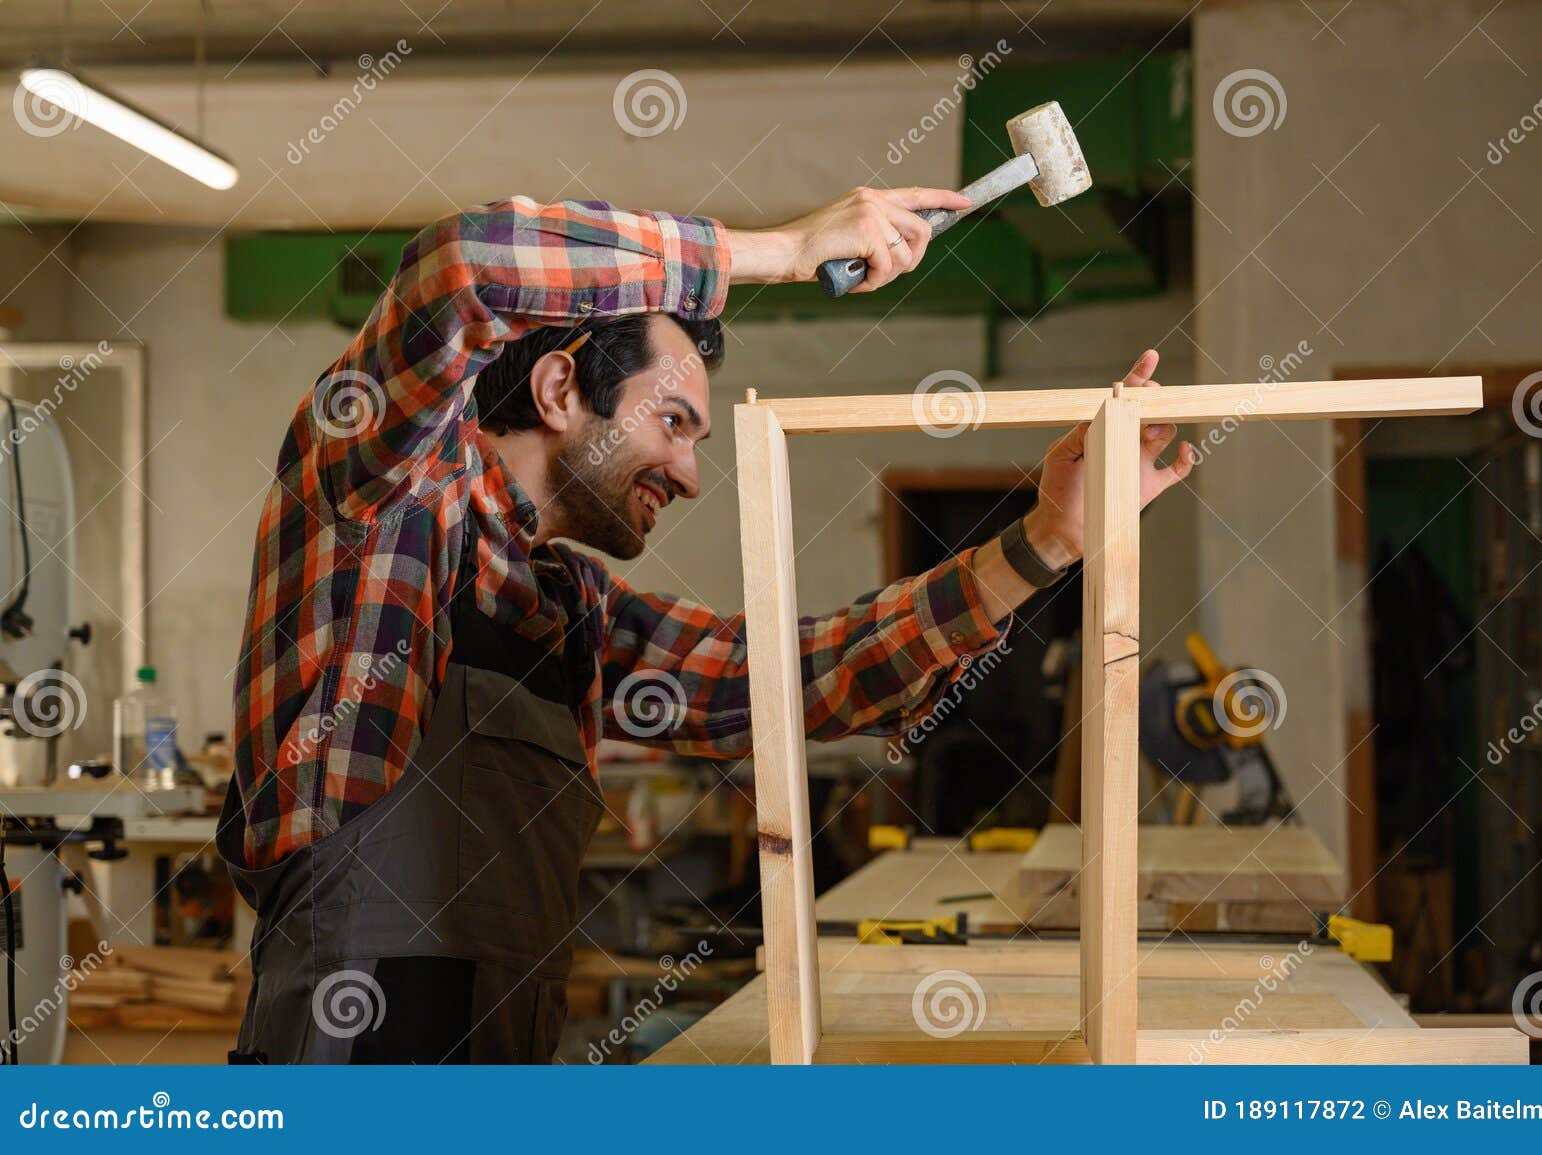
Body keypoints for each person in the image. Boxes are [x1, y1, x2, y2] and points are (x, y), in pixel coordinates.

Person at [217, 186, 1197, 1063]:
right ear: (561, 391)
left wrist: (1045, 543)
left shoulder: (571, 609)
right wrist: (781, 247)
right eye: (673, 422)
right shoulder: (378, 500)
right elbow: (461, 264)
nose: (689, 474)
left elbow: (791, 678)